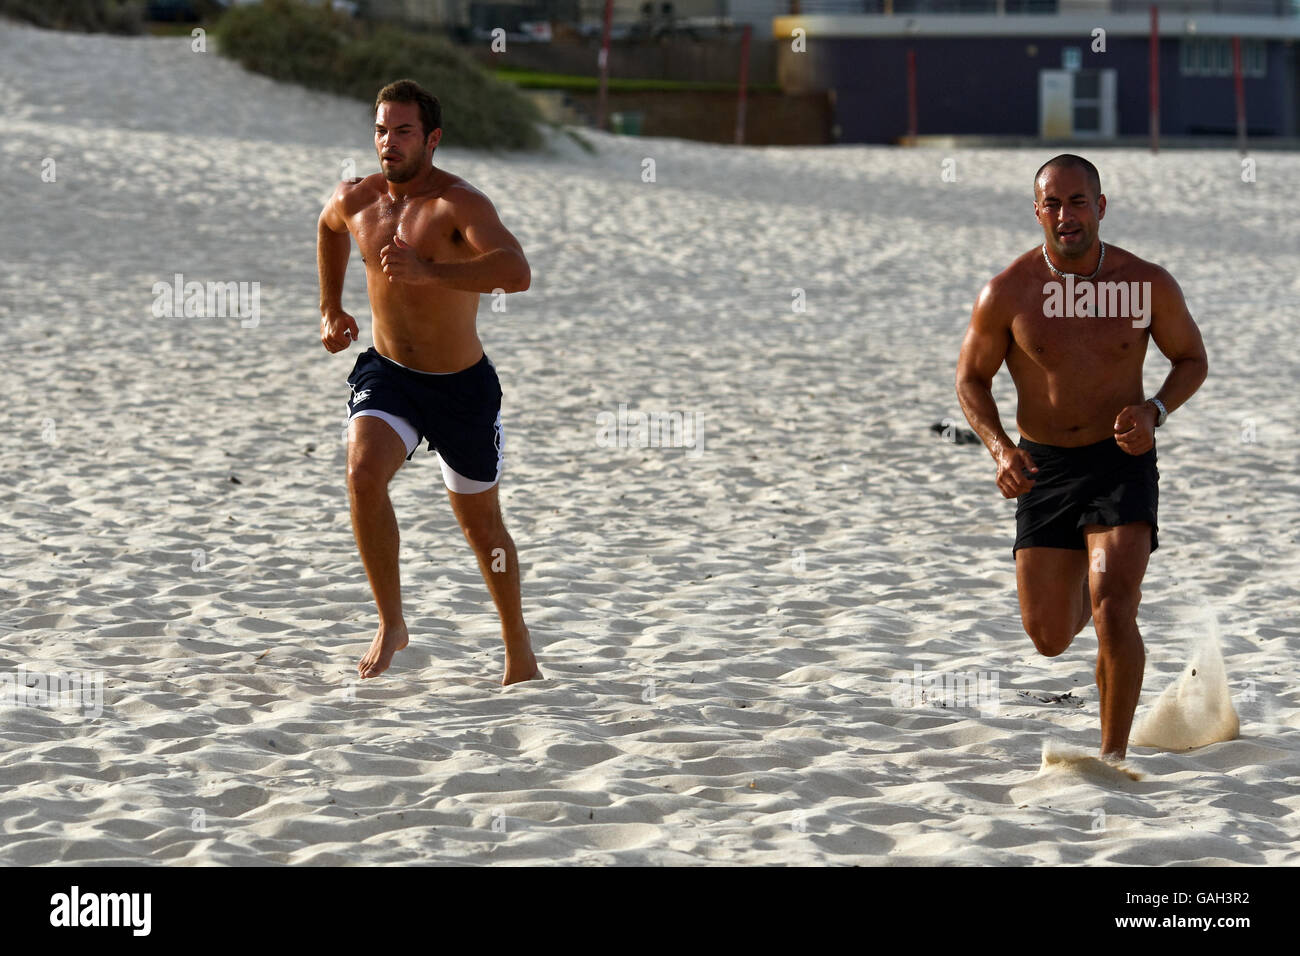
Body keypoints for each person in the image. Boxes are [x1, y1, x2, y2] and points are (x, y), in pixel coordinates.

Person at [955, 154, 1207, 759]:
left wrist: (1155, 411)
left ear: (1101, 206)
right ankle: (1099, 596)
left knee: (1113, 606)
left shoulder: (1146, 284)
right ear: (1037, 210)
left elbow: (1191, 360)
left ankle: (1112, 758)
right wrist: (999, 449)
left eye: (1077, 201)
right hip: (1043, 467)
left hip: (1120, 460)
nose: (1066, 215)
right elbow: (970, 379)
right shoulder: (1008, 291)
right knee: (1046, 636)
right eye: (1053, 203)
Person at [317, 79, 540, 684]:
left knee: (481, 527)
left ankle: (517, 645)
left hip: (461, 387)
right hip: (389, 375)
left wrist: (428, 270)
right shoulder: (359, 199)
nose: (389, 142)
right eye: (381, 130)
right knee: (362, 473)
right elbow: (329, 227)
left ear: (432, 139)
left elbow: (516, 272)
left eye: (403, 131)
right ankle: (392, 622)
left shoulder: (458, 205)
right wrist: (330, 308)